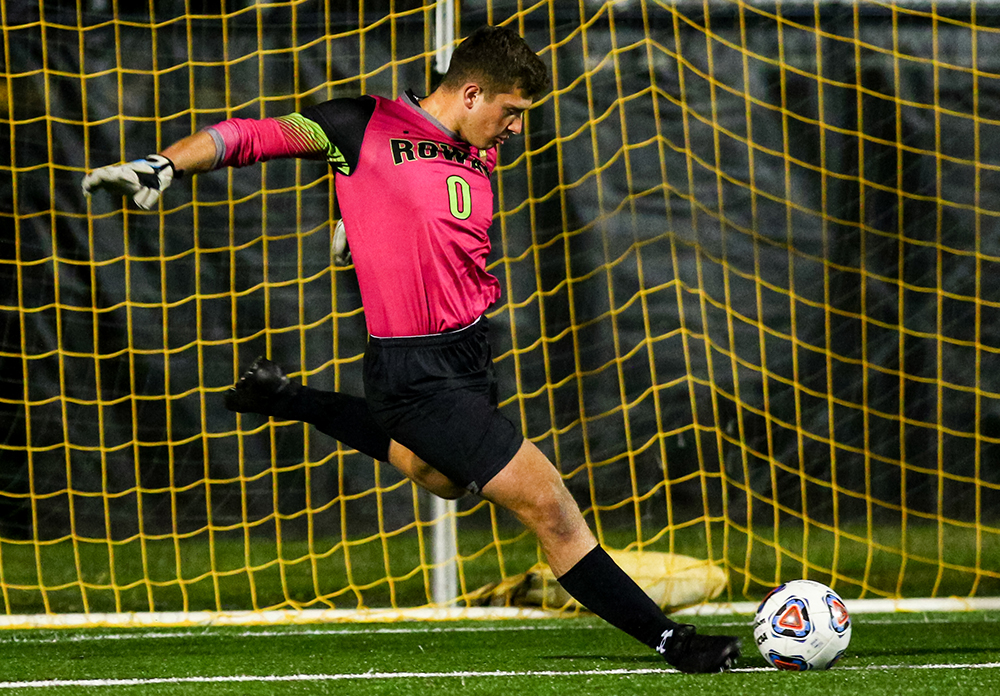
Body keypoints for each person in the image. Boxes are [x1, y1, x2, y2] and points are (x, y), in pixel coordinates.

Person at [82, 25, 740, 673]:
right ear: (472, 93)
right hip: (416, 371)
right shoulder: (361, 124)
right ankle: (674, 643)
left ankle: (289, 398)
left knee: (444, 480)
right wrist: (165, 164)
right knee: (551, 507)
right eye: (512, 111)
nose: (516, 128)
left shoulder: (478, 148)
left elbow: (428, 212)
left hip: (469, 355)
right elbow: (252, 136)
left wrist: (363, 220)